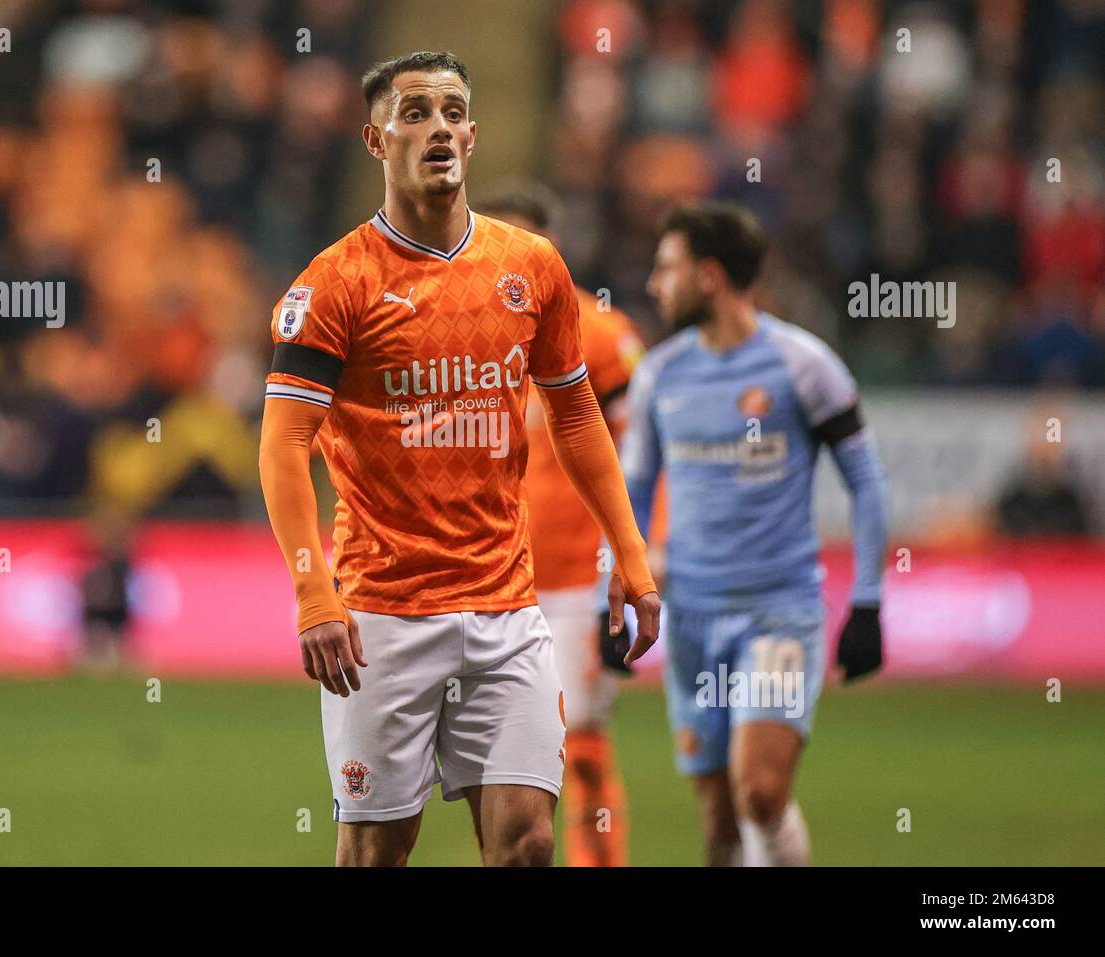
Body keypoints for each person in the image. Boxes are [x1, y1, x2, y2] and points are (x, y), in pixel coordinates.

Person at [257, 51, 660, 867]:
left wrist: (632, 553)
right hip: (384, 617)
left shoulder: (531, 268)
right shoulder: (334, 285)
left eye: (450, 112)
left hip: (508, 610)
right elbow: (283, 445)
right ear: (376, 140)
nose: (436, 126)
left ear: (471, 135)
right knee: (376, 854)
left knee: (528, 845)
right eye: (414, 112)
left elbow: (579, 417)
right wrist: (313, 593)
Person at [621, 201, 888, 865]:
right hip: (691, 617)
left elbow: (867, 483)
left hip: (777, 612)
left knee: (761, 791)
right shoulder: (659, 375)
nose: (655, 285)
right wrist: (621, 585)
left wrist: (868, 601)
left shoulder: (804, 366)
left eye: (667, 268)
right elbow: (632, 491)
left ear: (708, 276)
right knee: (718, 819)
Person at [479, 180, 644, 867]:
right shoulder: (460, 335)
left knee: (578, 741)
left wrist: (628, 566)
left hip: (578, 579)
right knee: (493, 754)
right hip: (489, 578)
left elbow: (638, 461)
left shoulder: (601, 335)